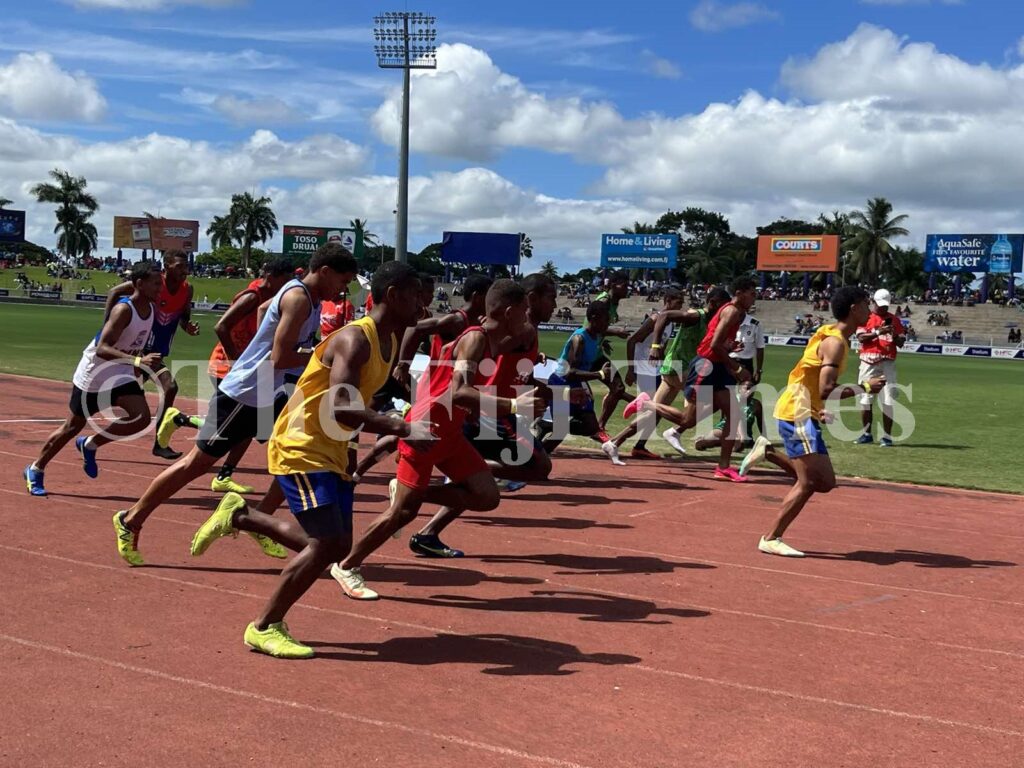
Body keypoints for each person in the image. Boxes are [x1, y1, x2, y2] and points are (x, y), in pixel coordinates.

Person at [188, 262, 429, 659]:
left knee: (335, 548)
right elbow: (341, 406)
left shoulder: (389, 341)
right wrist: (402, 429)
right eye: (417, 294)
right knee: (325, 546)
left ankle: (242, 516)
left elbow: (358, 402)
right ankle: (264, 626)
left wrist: (352, 454)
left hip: (331, 447)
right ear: (393, 295)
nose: (423, 303)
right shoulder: (357, 339)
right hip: (301, 443)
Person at [111, 244, 356, 566]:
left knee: (298, 456)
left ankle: (259, 520)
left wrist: (268, 339)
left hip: (273, 392)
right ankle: (130, 520)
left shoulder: (304, 298)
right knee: (196, 464)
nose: (344, 289)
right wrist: (323, 358)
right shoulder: (297, 298)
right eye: (342, 280)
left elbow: (264, 310)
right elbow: (280, 357)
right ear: (325, 271)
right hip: (247, 394)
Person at [334, 280, 545, 600]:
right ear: (510, 311)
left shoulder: (491, 341)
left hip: (450, 434)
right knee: (402, 515)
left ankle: (411, 494)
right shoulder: (475, 338)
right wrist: (514, 405)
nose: (527, 318)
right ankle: (348, 565)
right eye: (525, 312)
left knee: (487, 495)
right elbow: (460, 390)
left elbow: (458, 383)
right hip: (424, 432)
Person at [407, 273, 558, 558]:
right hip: (489, 411)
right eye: (550, 297)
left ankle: (428, 532)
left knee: (479, 480)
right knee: (539, 466)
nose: (554, 304)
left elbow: (509, 369)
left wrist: (539, 388)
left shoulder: (524, 331)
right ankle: (415, 491)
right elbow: (488, 353)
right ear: (531, 299)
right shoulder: (522, 331)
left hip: (488, 407)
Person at [742, 287, 884, 556]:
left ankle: (768, 452)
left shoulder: (833, 333)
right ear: (854, 308)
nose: (871, 310)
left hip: (803, 409)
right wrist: (865, 387)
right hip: (797, 412)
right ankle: (771, 538)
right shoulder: (835, 343)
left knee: (825, 482)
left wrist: (818, 408)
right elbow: (825, 389)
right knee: (808, 483)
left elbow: (808, 378)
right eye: (867, 304)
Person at [24, 262, 163, 496]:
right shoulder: (124, 310)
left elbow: (133, 343)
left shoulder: (150, 309)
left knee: (140, 418)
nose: (160, 287)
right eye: (156, 283)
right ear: (139, 283)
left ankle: (90, 444)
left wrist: (138, 363)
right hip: (95, 372)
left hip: (121, 371)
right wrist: (139, 362)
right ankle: (35, 468)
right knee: (71, 427)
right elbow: (102, 348)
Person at [623, 277, 757, 481]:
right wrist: (737, 368)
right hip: (706, 366)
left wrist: (730, 348)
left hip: (717, 366)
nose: (754, 298)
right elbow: (712, 345)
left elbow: (717, 342)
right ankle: (646, 404)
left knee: (733, 413)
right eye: (752, 293)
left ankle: (723, 467)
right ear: (739, 293)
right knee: (687, 419)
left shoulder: (736, 312)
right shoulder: (731, 311)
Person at [203, 258, 293, 495]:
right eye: (284, 281)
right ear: (272, 277)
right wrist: (236, 362)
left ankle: (225, 475)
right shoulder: (253, 297)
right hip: (228, 367)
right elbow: (221, 326)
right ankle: (180, 419)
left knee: (248, 426)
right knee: (227, 429)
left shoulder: (270, 298)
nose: (287, 288)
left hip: (249, 371)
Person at [106, 250, 201, 461]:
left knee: (157, 391)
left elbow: (184, 318)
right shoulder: (153, 284)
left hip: (157, 353)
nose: (185, 271)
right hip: (140, 351)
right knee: (168, 387)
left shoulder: (187, 290)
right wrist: (107, 328)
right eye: (179, 267)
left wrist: (189, 327)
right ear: (166, 266)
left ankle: (158, 442)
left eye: (186, 267)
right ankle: (87, 438)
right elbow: (114, 292)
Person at [536, 301, 622, 464]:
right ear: (594, 319)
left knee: (591, 427)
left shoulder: (596, 336)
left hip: (577, 384)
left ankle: (547, 427)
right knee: (560, 432)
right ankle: (534, 459)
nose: (608, 324)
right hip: (561, 382)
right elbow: (570, 373)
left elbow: (603, 335)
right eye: (606, 320)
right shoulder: (578, 339)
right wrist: (600, 374)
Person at [610, 287, 684, 459]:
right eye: (678, 302)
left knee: (659, 409)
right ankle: (620, 441)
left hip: (657, 370)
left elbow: (661, 347)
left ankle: (639, 445)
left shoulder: (671, 321)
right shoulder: (654, 318)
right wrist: (631, 369)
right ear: (668, 301)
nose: (680, 306)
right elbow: (632, 340)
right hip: (644, 369)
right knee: (652, 409)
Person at [391, 273, 493, 392]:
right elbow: (414, 328)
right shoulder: (456, 320)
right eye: (489, 297)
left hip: (453, 384)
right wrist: (403, 366)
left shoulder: (477, 322)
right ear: (477, 297)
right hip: (437, 384)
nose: (492, 302)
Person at [855, 289, 905, 447]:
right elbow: (861, 337)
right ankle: (867, 434)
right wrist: (878, 331)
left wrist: (894, 335)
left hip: (887, 363)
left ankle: (887, 437)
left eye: (886, 305)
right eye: (880, 305)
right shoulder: (866, 318)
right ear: (873, 302)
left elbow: (901, 342)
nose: (883, 308)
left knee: (888, 401)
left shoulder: (894, 319)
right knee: (865, 400)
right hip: (868, 362)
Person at [592, 270, 632, 429]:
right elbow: (591, 327)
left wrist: (604, 340)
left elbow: (600, 328)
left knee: (618, 387)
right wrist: (615, 332)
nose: (627, 289)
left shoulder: (612, 303)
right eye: (624, 285)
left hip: (596, 352)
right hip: (584, 353)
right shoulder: (604, 301)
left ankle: (599, 427)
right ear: (614, 285)